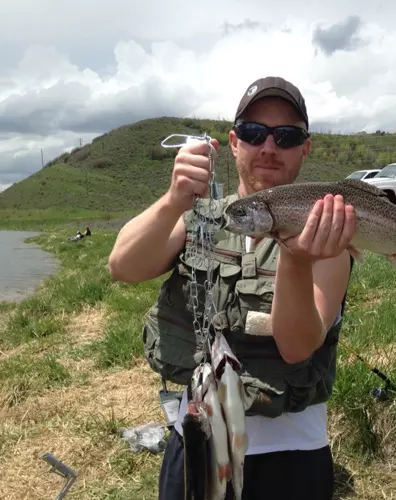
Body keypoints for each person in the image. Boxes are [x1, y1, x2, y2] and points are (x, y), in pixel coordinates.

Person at [108, 76, 357, 500]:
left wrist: (295, 259)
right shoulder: (198, 217)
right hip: (197, 442)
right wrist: (173, 200)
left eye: (287, 136)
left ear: (305, 147)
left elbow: (298, 347)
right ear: (234, 141)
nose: (269, 147)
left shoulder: (326, 233)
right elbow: (123, 266)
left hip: (292, 454)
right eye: (254, 132)